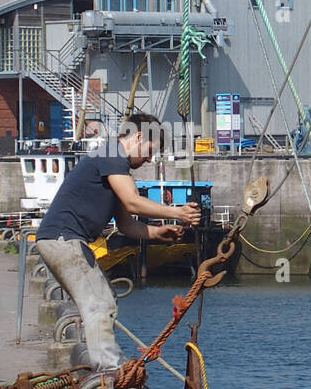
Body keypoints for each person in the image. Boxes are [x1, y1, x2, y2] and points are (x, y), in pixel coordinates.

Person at [33, 113, 201, 373]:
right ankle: (109, 371)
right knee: (98, 303)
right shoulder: (111, 153)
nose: (148, 159)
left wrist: (157, 233)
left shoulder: (115, 165)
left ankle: (105, 365)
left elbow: (126, 224)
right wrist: (177, 212)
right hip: (63, 238)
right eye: (149, 151)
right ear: (138, 137)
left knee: (105, 298)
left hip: (62, 240)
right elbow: (133, 201)